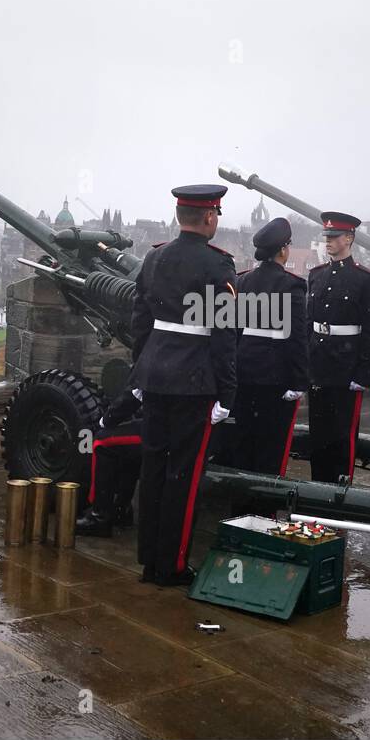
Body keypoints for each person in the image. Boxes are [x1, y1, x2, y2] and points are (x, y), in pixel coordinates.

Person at [129, 184, 238, 586]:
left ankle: (148, 561)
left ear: (180, 216)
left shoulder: (154, 257)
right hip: (194, 382)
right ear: (209, 217)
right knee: (184, 475)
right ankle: (172, 565)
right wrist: (227, 394)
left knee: (153, 466)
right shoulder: (218, 267)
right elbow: (225, 336)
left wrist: (139, 373)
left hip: (155, 375)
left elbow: (140, 320)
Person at [231, 217, 309, 511]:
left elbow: (235, 332)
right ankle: (263, 514)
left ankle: (239, 511)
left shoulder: (243, 280)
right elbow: (297, 339)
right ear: (283, 250)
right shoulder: (292, 286)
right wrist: (299, 382)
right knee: (271, 451)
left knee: (243, 446)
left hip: (244, 375)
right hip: (275, 380)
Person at [307, 212, 370, 483]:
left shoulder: (364, 280)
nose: (328, 241)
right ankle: (318, 491)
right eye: (326, 236)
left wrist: (364, 372)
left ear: (349, 239)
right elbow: (309, 324)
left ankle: (339, 493)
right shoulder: (316, 275)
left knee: (342, 437)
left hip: (346, 367)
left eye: (334, 236)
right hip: (319, 366)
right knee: (318, 437)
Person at [74, 390, 142, 538]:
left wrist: (104, 421)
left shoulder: (152, 366)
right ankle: (120, 509)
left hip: (163, 429)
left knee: (102, 442)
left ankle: (99, 516)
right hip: (178, 425)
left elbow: (134, 397)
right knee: (126, 445)